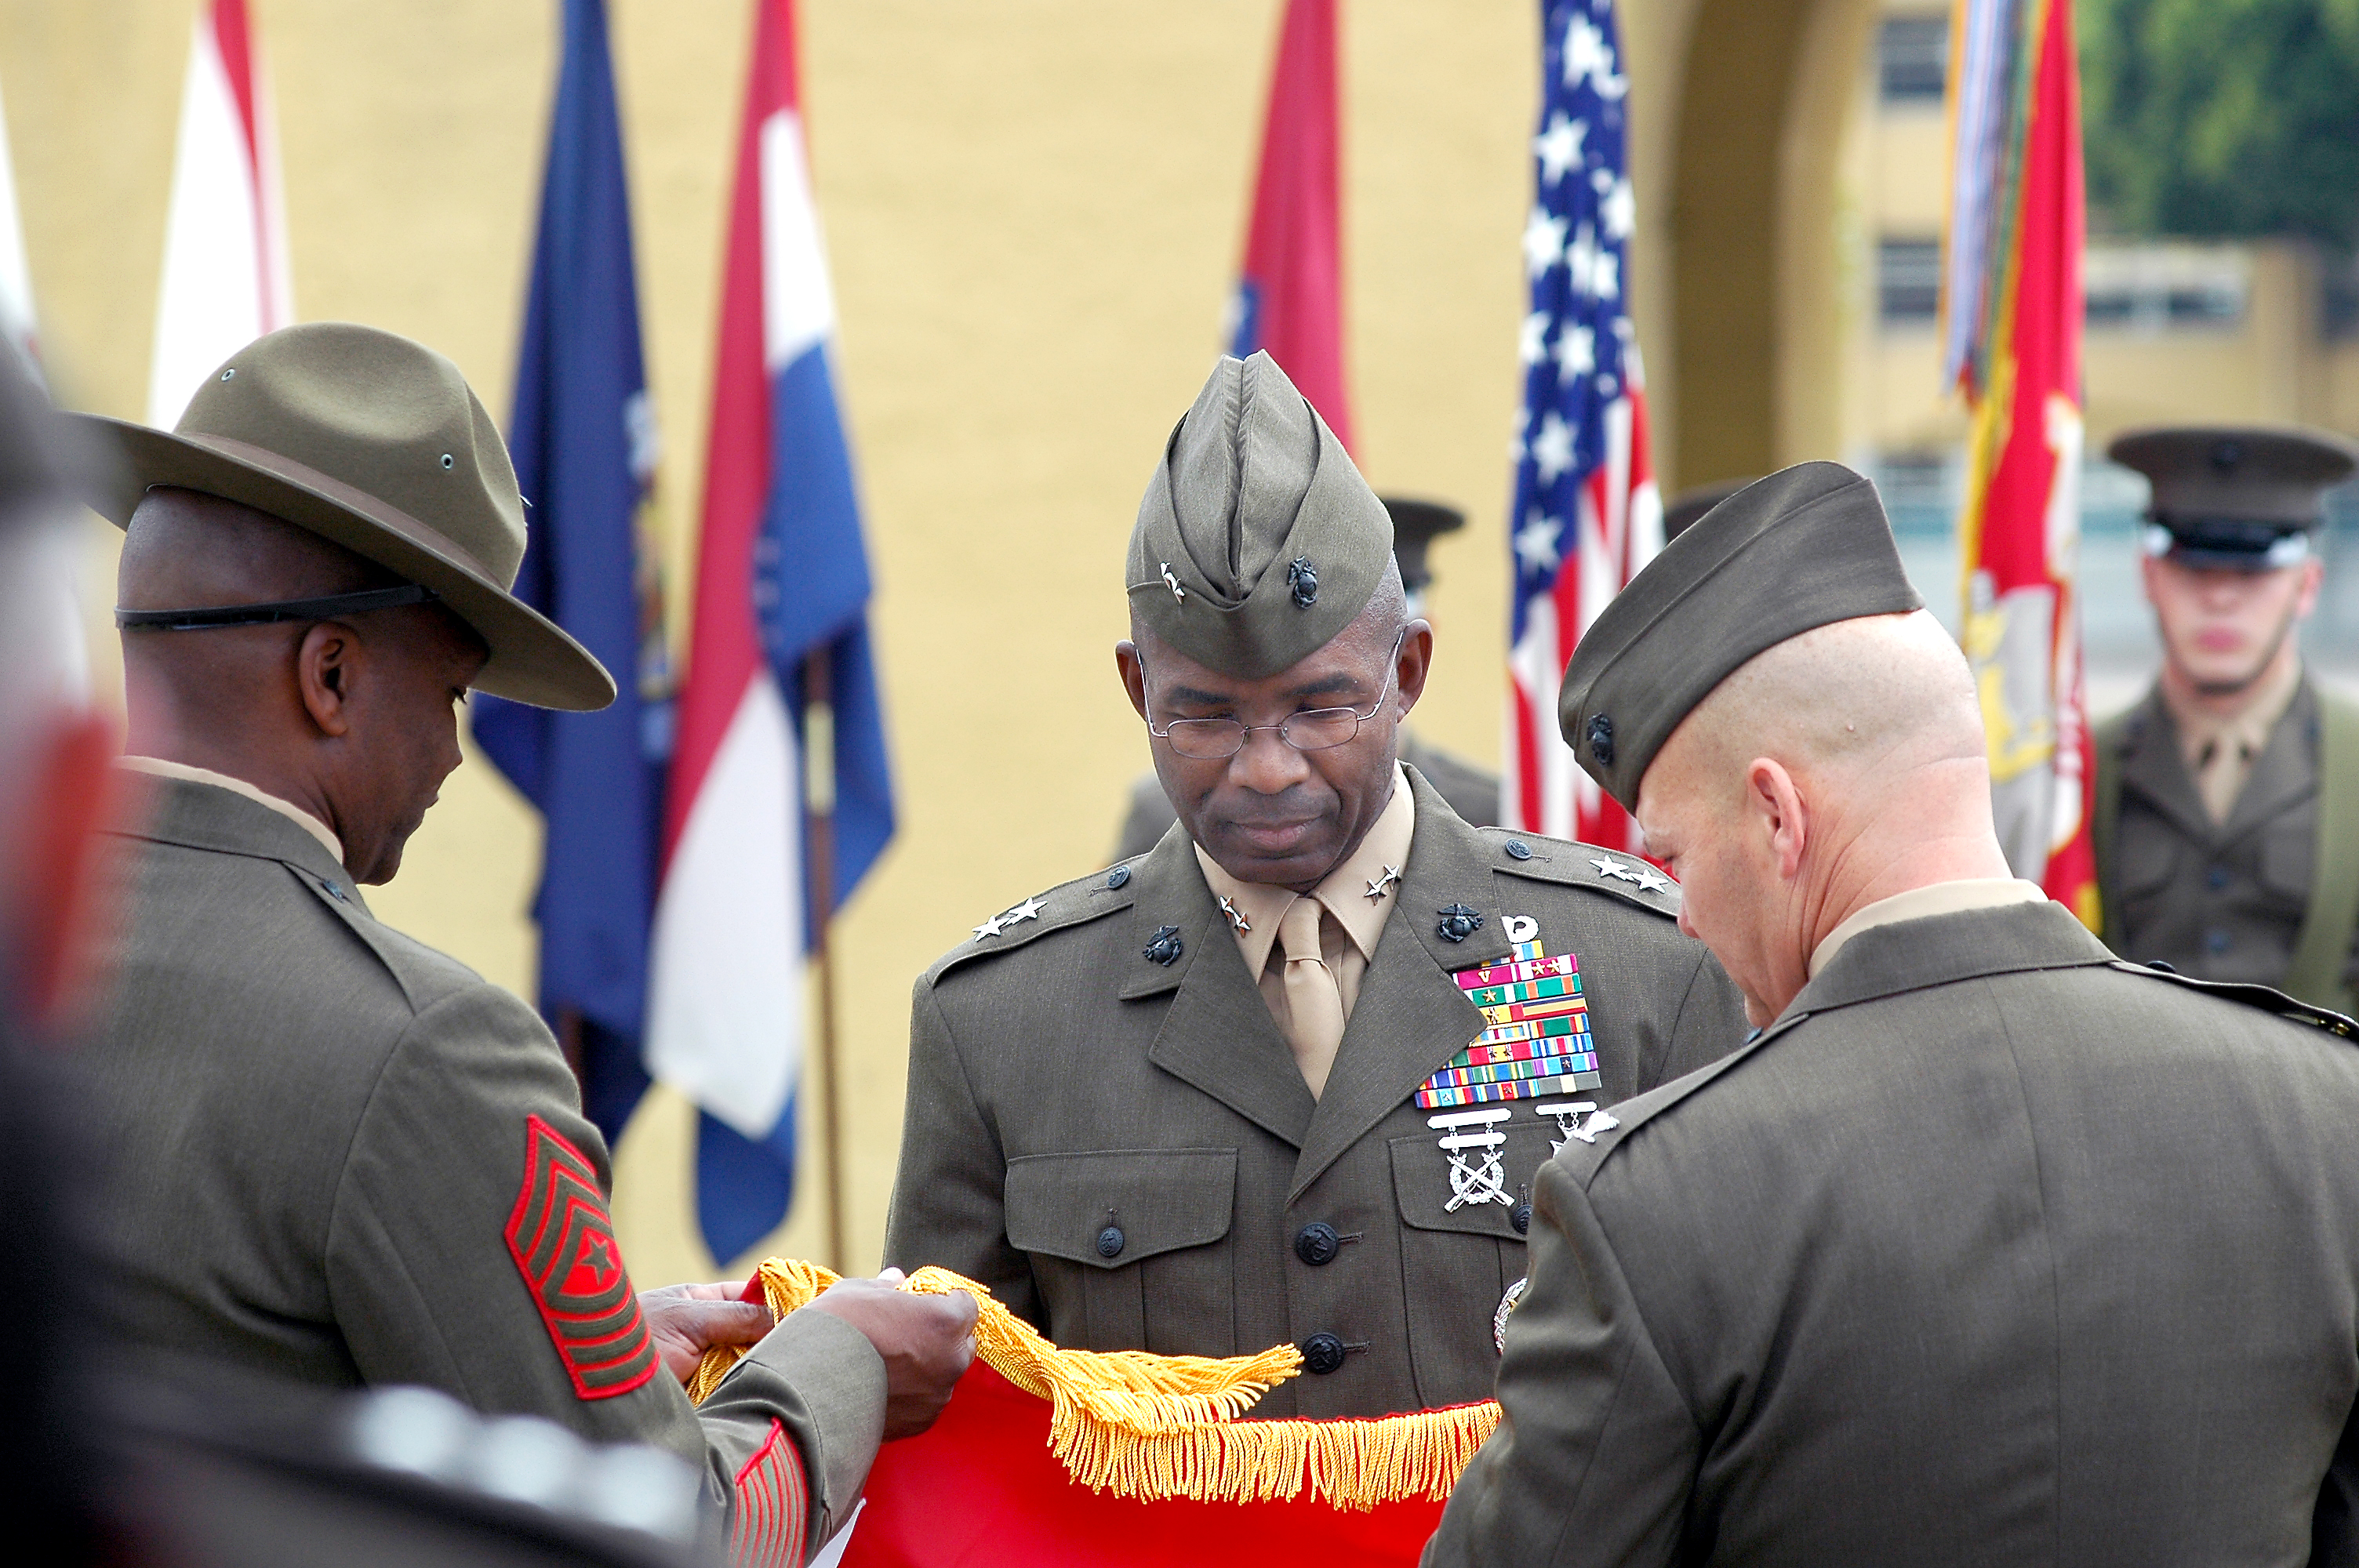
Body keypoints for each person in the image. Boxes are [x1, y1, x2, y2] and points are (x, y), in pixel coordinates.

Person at [71, 322, 976, 1566]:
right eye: (448, 694)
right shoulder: (426, 1055)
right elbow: (673, 1540)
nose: (454, 754)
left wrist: (584, 1346)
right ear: (329, 675)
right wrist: (843, 1357)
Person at [1426, 461, 2359, 1563]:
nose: (1679, 918)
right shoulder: (2324, 1112)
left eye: (1672, 856)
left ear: (1778, 815)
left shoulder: (1653, 1205)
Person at [884, 352, 1747, 1419]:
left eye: (1320, 708)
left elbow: (1739, 1386)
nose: (1266, 767)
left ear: (1410, 671)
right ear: (1134, 685)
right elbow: (960, 1445)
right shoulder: (1002, 1026)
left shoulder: (1641, 973)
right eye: (1203, 717)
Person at [2093, 424, 2359, 1012]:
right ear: (2149, 577)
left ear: (2306, 586)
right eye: (2194, 569)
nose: (2220, 599)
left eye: (2251, 574)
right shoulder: (2085, 767)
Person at [1110, 495, 1498, 857]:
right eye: (1211, 716)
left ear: (1406, 668)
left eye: (1320, 708)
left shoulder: (1487, 809)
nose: (1269, 775)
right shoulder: (1161, 817)